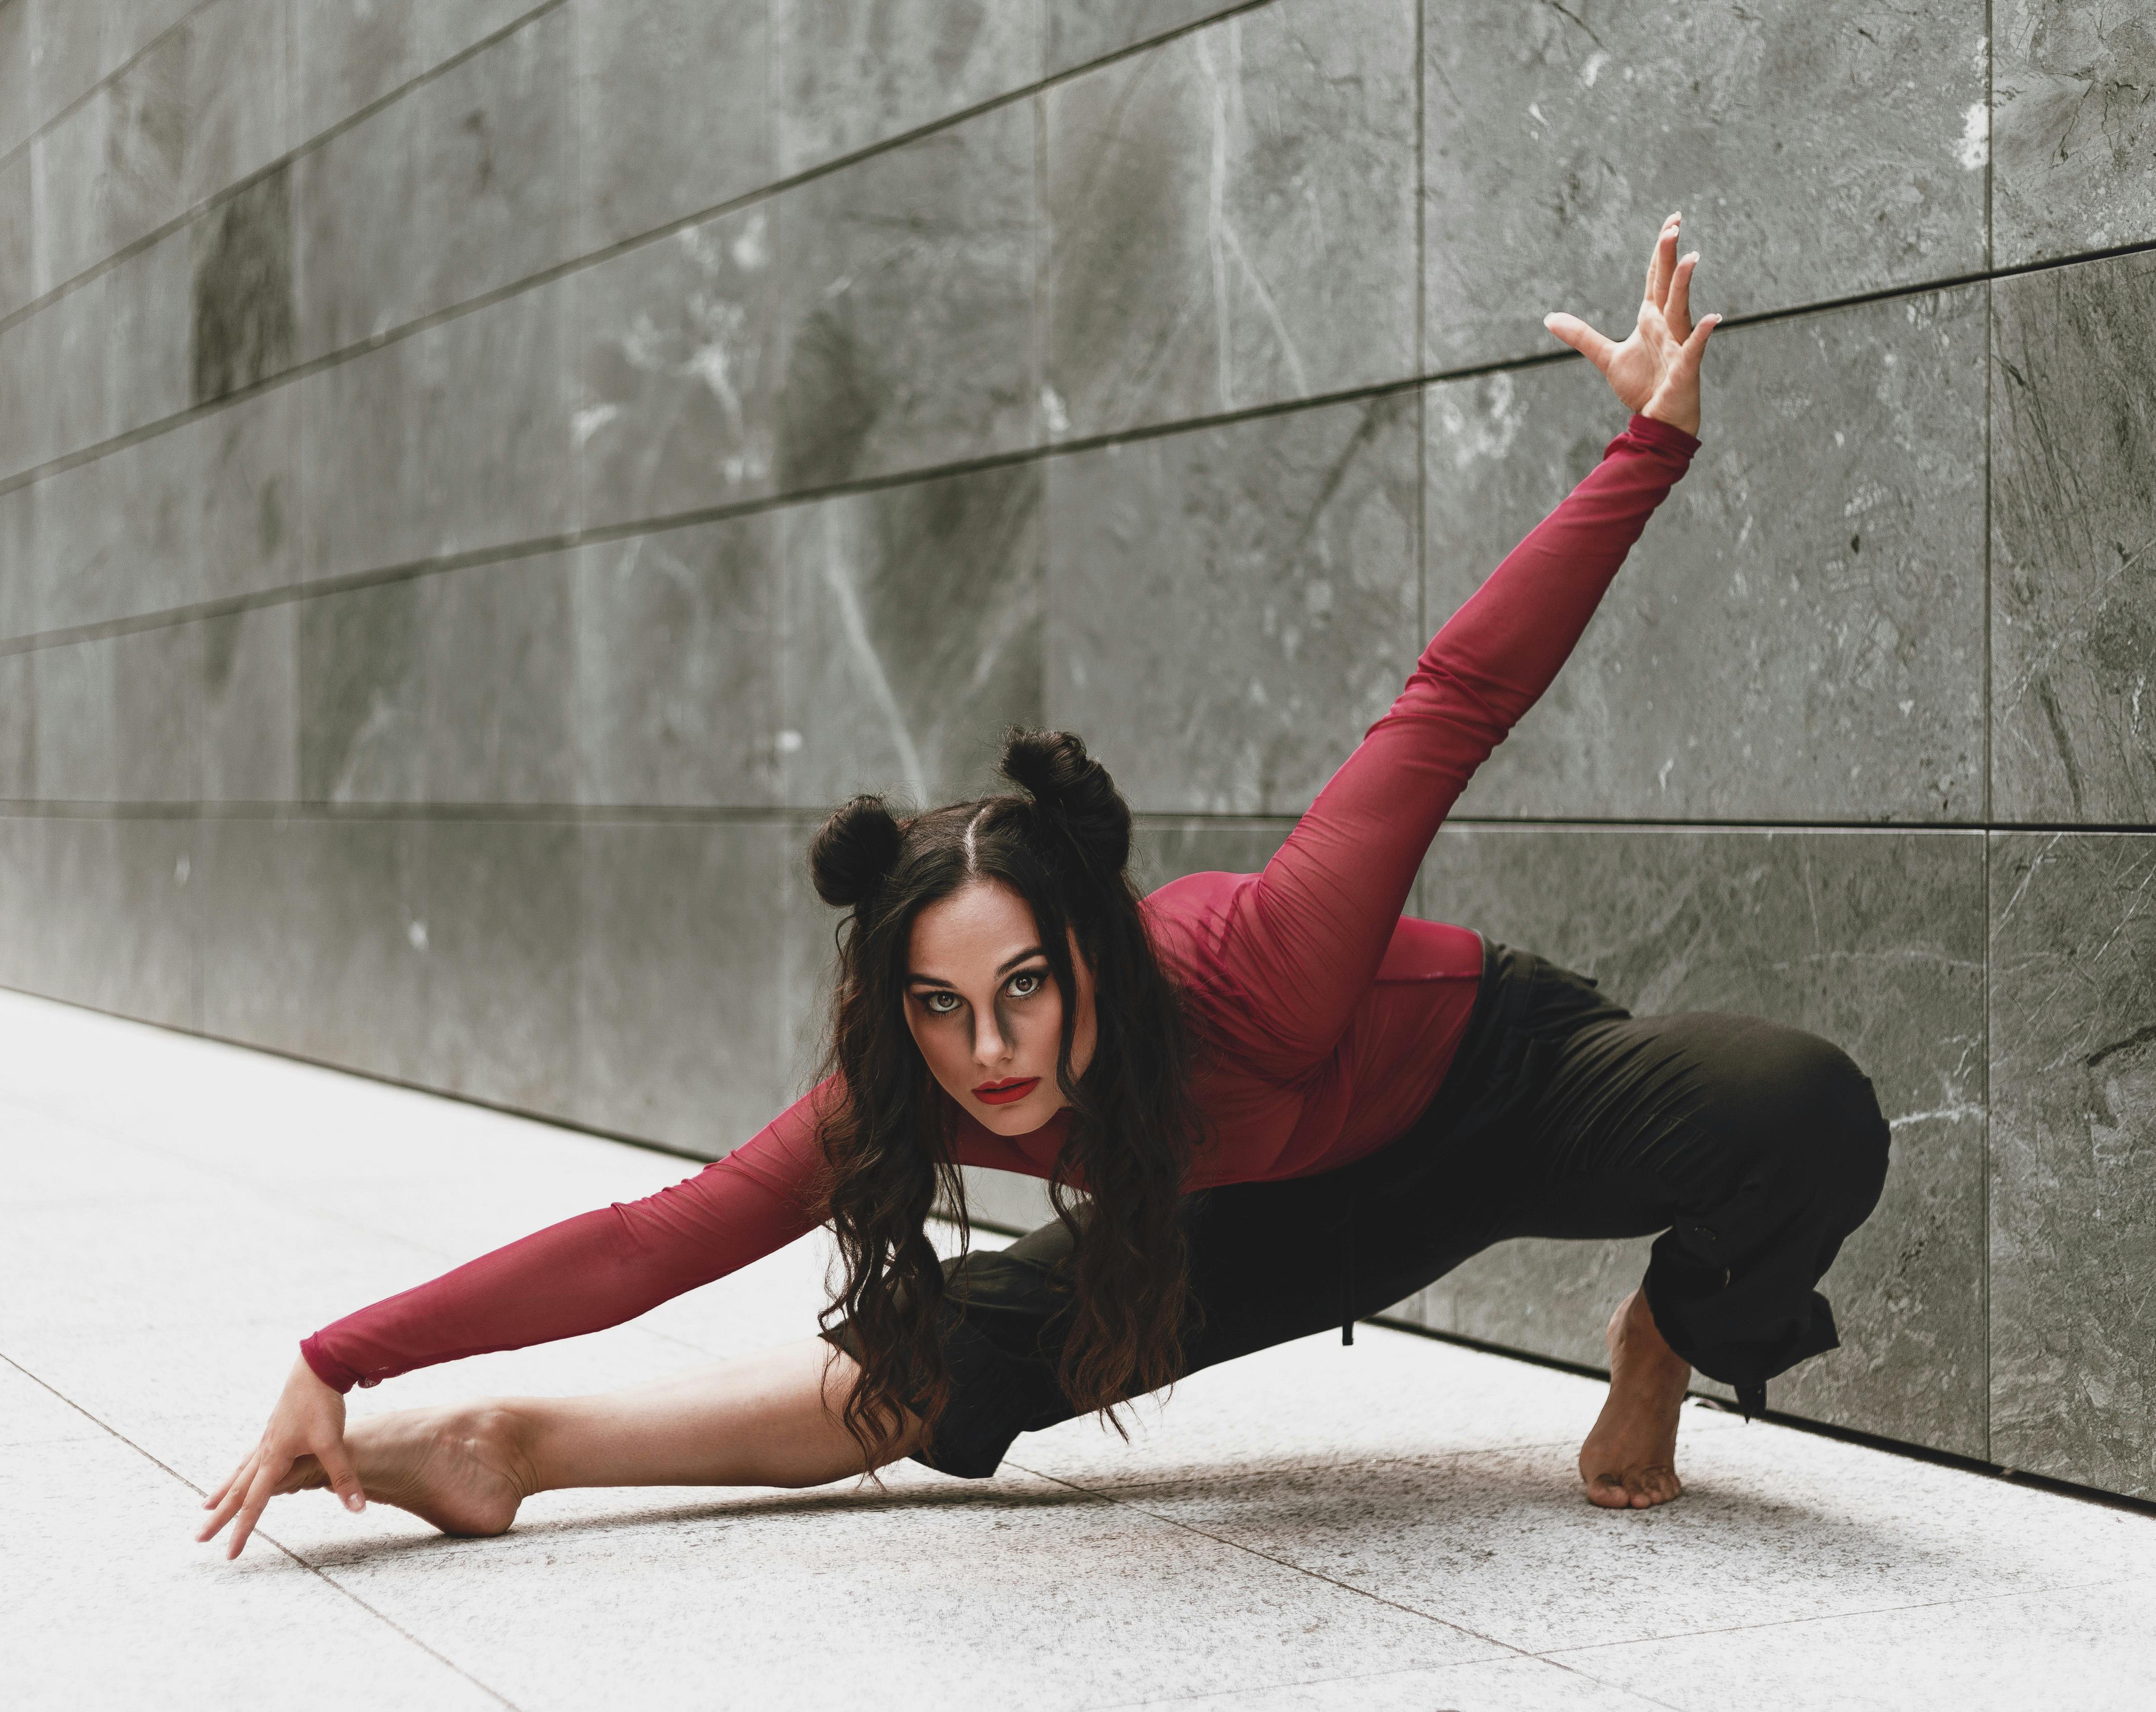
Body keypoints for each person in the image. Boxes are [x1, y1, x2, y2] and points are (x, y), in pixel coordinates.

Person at [199, 215, 1890, 1560]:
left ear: (1087, 958)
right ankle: (520, 1458)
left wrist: (1642, 455)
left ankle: (1663, 1337)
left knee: (1799, 1110)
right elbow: (650, 1239)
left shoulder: (1255, 967)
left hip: (1492, 1089)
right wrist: (346, 1357)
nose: (989, 1050)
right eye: (939, 1008)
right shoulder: (908, 1090)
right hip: (1261, 1211)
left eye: (1022, 990)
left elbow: (1446, 704)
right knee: (943, 1378)